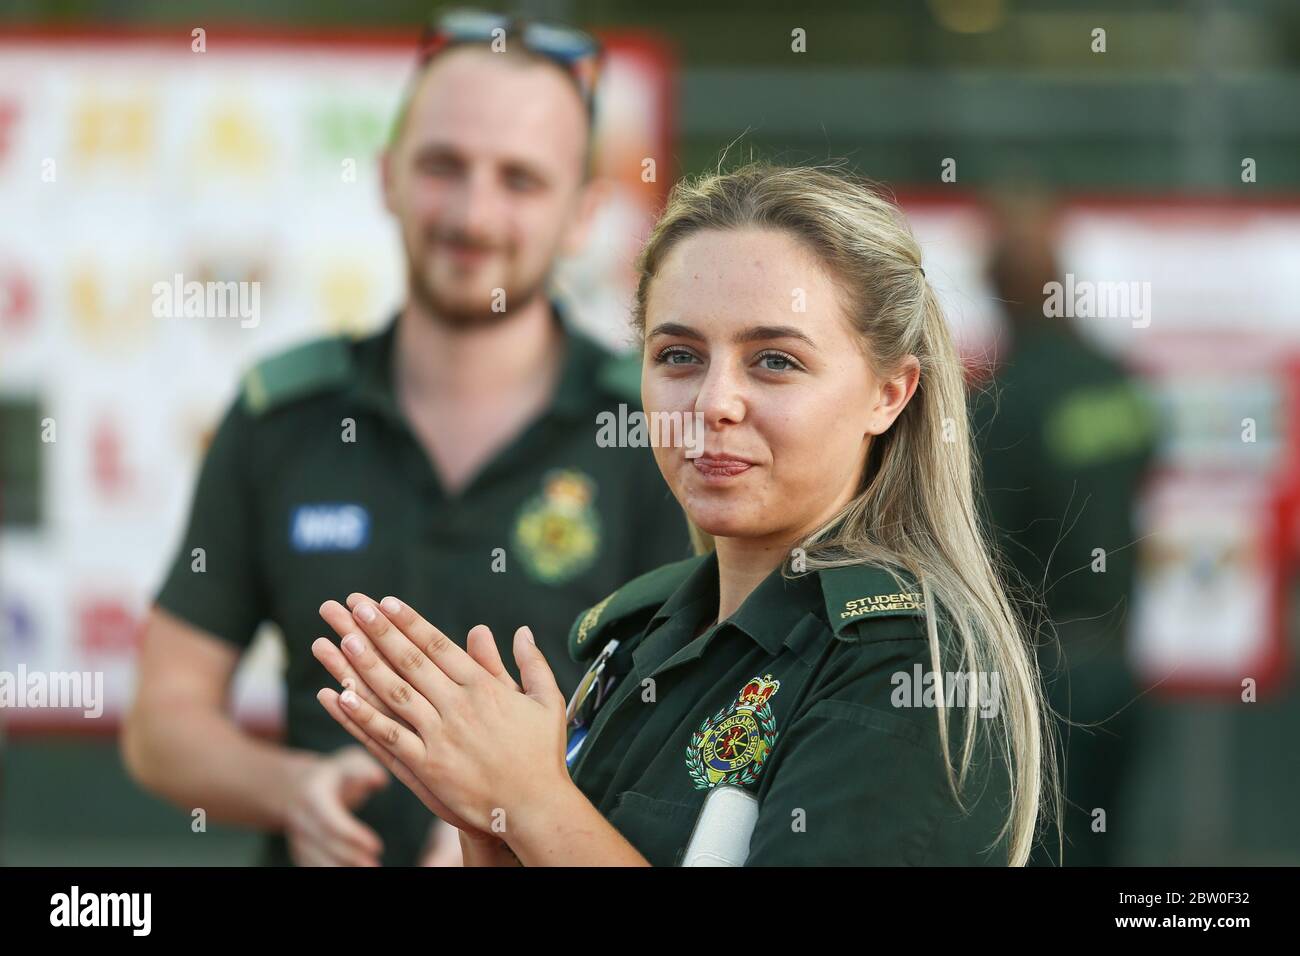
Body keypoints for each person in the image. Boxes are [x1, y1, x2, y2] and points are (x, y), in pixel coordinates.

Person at [309, 162, 1058, 865]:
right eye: (678, 355)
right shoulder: (638, 634)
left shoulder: (911, 665)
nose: (712, 402)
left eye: (775, 361)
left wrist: (533, 801)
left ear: (889, 395)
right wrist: (493, 823)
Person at [121, 9, 690, 868]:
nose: (473, 212)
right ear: (388, 177)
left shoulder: (652, 434)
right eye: (443, 166)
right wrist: (293, 787)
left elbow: (697, 735)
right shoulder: (282, 416)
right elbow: (162, 723)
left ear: (584, 214)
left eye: (521, 180)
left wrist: (501, 821)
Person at [971, 194, 1157, 865]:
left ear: (998, 296)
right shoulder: (1117, 382)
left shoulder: (1005, 403)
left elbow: (988, 549)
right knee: (1108, 845)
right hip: (1122, 664)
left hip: (1043, 678)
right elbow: (1139, 478)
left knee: (1046, 850)